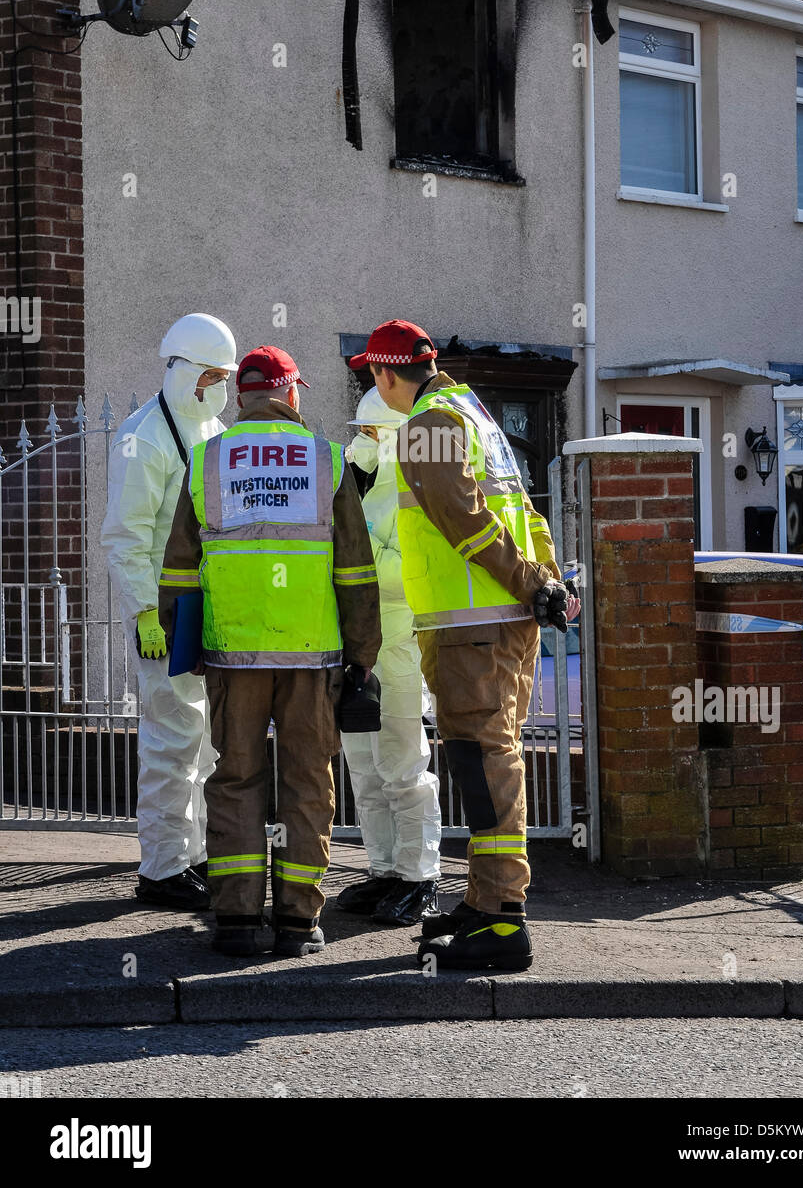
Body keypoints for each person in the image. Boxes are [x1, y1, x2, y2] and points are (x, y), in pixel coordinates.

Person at [349, 320, 579, 971]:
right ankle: (483, 903)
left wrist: (534, 583)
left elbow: (463, 518)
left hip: (470, 624)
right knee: (487, 761)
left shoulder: (425, 424)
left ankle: (504, 922)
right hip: (499, 620)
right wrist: (546, 585)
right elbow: (526, 511)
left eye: (372, 374)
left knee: (484, 766)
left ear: (384, 374)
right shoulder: (473, 412)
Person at [157, 345, 381, 958]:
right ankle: (298, 921)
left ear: (244, 396)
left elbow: (178, 569)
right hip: (313, 658)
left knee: (236, 780)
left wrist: (186, 644)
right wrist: (364, 654)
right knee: (308, 782)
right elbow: (356, 573)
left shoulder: (206, 462)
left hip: (232, 656)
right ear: (291, 392)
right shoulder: (327, 462)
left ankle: (234, 919)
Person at [101, 313, 237, 910]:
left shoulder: (211, 427)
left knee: (204, 745)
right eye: (211, 374)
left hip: (206, 613)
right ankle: (161, 869)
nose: (220, 384)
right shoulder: (143, 437)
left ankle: (195, 860)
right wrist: (142, 616)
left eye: (225, 375)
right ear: (184, 371)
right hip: (165, 619)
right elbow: (124, 539)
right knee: (169, 744)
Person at [337, 386, 442, 926]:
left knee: (403, 763)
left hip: (396, 639)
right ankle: (383, 870)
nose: (363, 440)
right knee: (364, 765)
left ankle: (420, 876)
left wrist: (354, 545)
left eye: (373, 431)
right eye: (362, 431)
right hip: (357, 642)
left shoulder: (413, 487)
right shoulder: (359, 477)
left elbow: (405, 571)